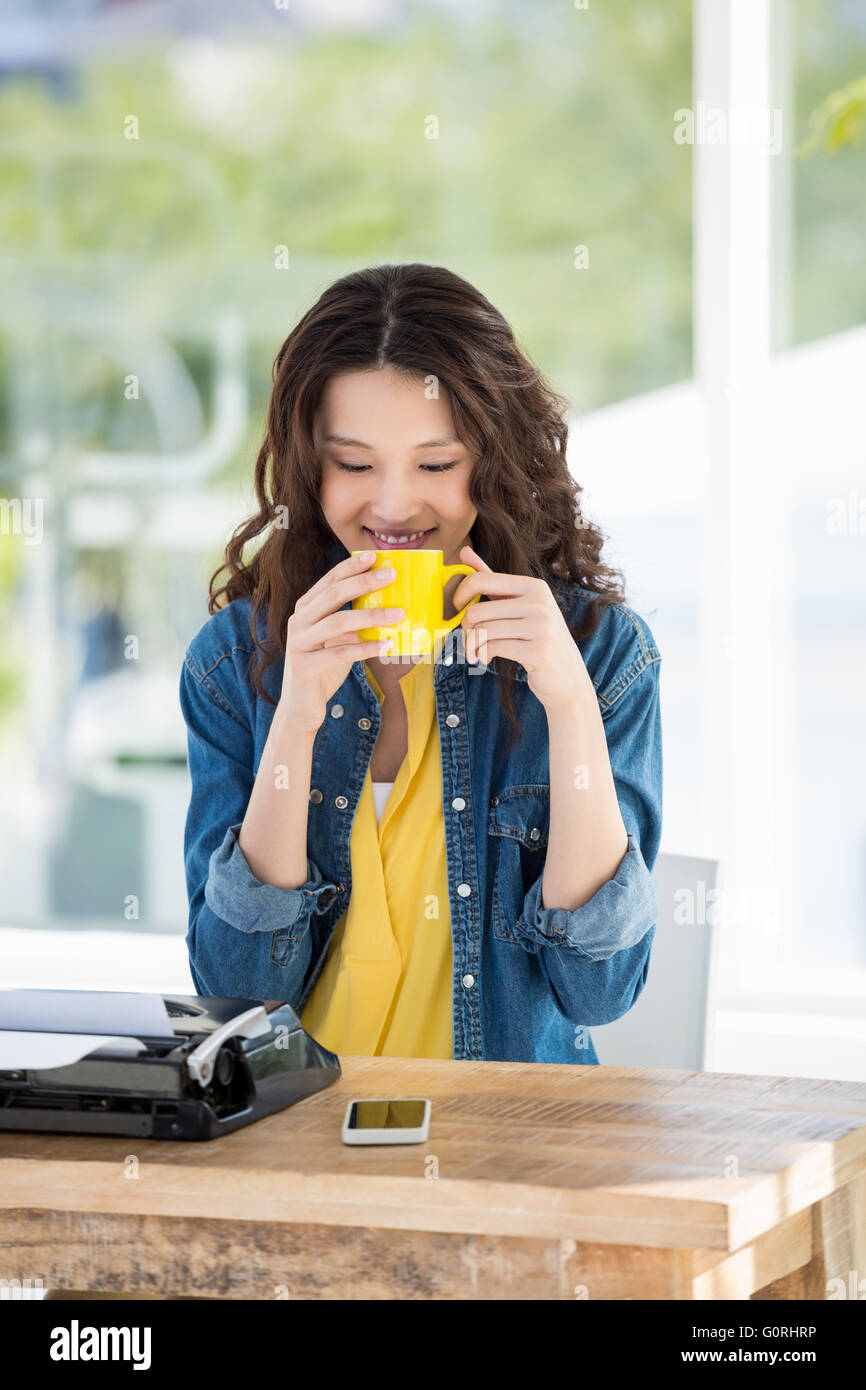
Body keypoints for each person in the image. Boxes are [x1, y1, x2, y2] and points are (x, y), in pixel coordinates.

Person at [179, 263, 662, 1065]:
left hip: (505, 1155)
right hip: (292, 1144)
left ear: (495, 459)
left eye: (436, 466)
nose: (395, 507)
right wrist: (294, 722)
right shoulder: (235, 663)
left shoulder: (601, 655)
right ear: (308, 466)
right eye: (354, 464)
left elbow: (600, 991)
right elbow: (235, 991)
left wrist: (571, 707)